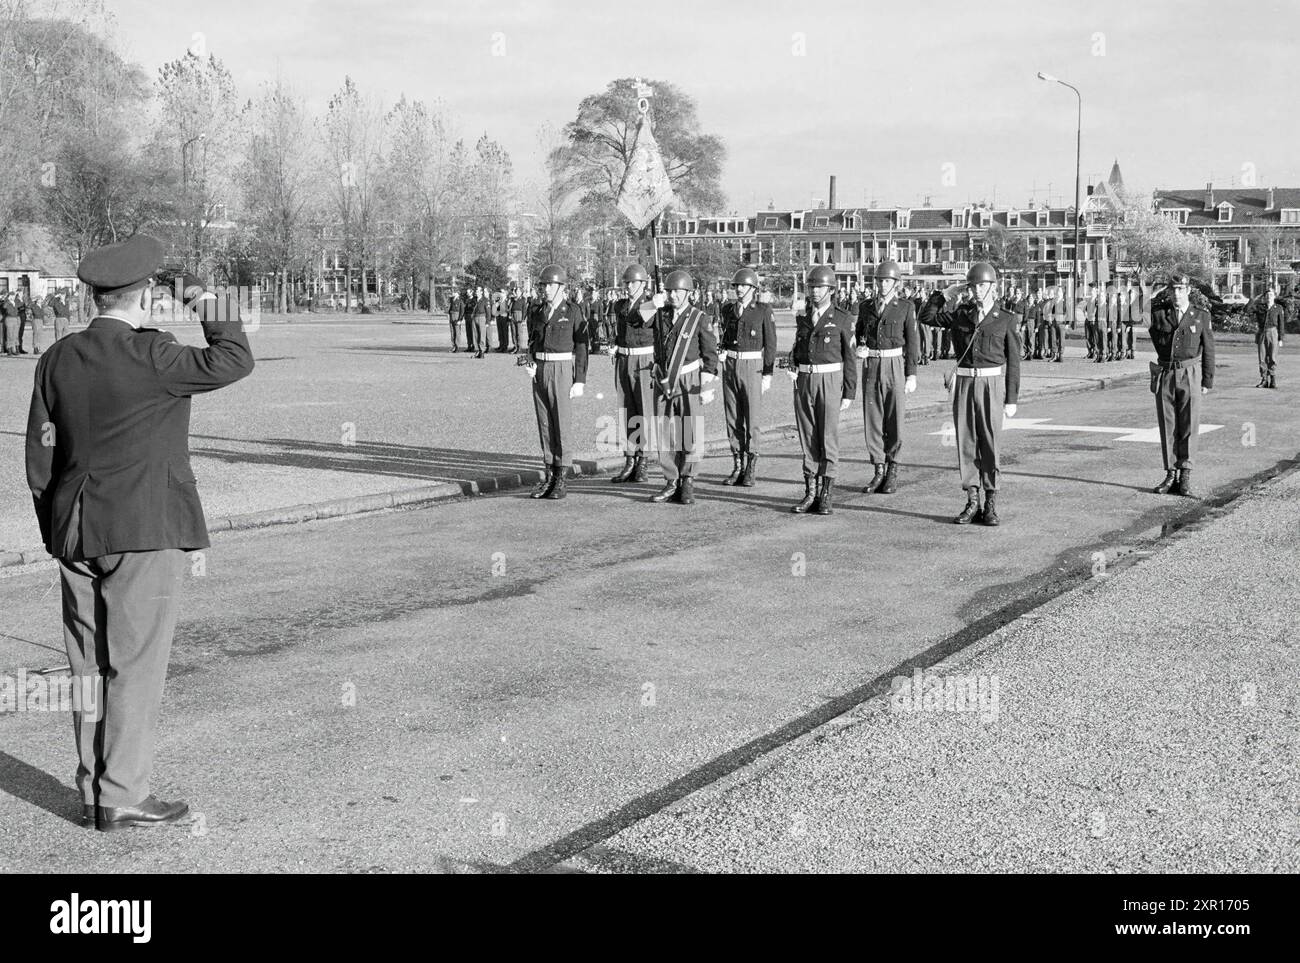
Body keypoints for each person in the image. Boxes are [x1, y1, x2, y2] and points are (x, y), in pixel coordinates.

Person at [25, 235, 254, 831]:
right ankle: (123, 792)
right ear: (147, 293)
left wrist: (55, 524)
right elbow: (234, 357)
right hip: (144, 527)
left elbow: (40, 454)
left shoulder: (58, 357)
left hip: (74, 527)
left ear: (93, 295)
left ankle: (95, 789)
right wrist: (206, 297)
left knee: (87, 667)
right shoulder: (156, 355)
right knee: (136, 664)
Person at [918, 261, 1021, 526]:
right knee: (966, 443)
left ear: (993, 287)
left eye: (982, 285)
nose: (977, 291)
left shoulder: (1006, 319)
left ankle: (990, 503)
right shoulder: (961, 314)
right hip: (964, 385)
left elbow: (1014, 362)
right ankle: (972, 500)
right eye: (973, 286)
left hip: (991, 386)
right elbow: (926, 317)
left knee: (989, 443)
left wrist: (1011, 398)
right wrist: (945, 294)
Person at [788, 265, 857, 515]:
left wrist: (849, 392)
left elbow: (850, 358)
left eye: (819, 287)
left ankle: (826, 493)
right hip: (805, 381)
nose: (815, 291)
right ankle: (810, 492)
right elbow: (797, 348)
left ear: (830, 289)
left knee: (827, 437)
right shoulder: (804, 319)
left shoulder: (842, 318)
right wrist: (793, 365)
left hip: (829, 381)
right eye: (812, 287)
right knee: (808, 438)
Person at [648, 270, 719, 505]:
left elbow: (710, 351)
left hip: (689, 379)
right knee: (665, 431)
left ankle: (688, 479)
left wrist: (708, 380)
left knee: (691, 430)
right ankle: (671, 480)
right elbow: (633, 322)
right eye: (670, 291)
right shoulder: (660, 313)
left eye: (677, 291)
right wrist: (650, 305)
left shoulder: (699, 317)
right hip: (664, 379)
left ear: (688, 293)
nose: (673, 295)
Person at [523, 264, 588, 500]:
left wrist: (579, 379)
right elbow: (531, 340)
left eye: (549, 284)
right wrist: (529, 361)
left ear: (561, 286)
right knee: (544, 423)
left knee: (561, 422)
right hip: (540, 368)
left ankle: (561, 476)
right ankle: (549, 473)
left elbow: (582, 346)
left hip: (561, 368)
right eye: (543, 285)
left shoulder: (572, 311)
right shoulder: (537, 311)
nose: (545, 289)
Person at [1146, 274, 1214, 497]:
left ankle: (1185, 474)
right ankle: (1170, 473)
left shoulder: (1200, 316)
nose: (1177, 293)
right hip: (1165, 372)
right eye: (1173, 289)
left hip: (1190, 372)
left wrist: (1207, 380)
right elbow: (1139, 313)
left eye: (1180, 289)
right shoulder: (1159, 314)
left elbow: (1209, 349)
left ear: (1188, 290)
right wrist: (1151, 294)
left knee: (1188, 424)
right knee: (1168, 426)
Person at [855, 259, 918, 494]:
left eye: (887, 281)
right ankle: (878, 469)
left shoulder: (906, 307)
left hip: (894, 364)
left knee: (894, 418)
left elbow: (913, 343)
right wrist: (860, 347)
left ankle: (892, 468)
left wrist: (911, 373)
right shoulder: (866, 306)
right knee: (872, 419)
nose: (882, 285)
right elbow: (860, 333)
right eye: (880, 280)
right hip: (871, 363)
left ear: (896, 283)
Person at [718, 267, 776, 487]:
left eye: (743, 285)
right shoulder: (727, 310)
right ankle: (738, 464)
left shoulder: (762, 310)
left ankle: (751, 465)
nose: (739, 289)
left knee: (751, 417)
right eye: (736, 286)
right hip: (730, 364)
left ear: (753, 288)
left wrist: (768, 373)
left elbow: (770, 344)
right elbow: (723, 336)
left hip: (752, 365)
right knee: (732, 416)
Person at [608, 264, 657, 484]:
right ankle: (629, 459)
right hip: (624, 359)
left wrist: (655, 304)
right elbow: (628, 319)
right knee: (626, 410)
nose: (628, 286)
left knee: (644, 411)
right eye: (626, 283)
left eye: (633, 283)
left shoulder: (653, 306)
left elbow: (640, 319)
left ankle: (643, 459)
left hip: (644, 360)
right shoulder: (620, 305)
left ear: (643, 284)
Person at [1254, 287, 1285, 389]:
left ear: (1274, 296)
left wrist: (1280, 338)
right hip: (1262, 332)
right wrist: (1255, 298)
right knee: (1262, 357)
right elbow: (1247, 309)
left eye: (1271, 295)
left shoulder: (1278, 308)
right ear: (1264, 297)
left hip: (1273, 332)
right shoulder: (1260, 307)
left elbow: (1281, 324)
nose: (1269, 297)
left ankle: (1272, 379)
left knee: (1272, 356)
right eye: (1267, 295)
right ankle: (1264, 380)